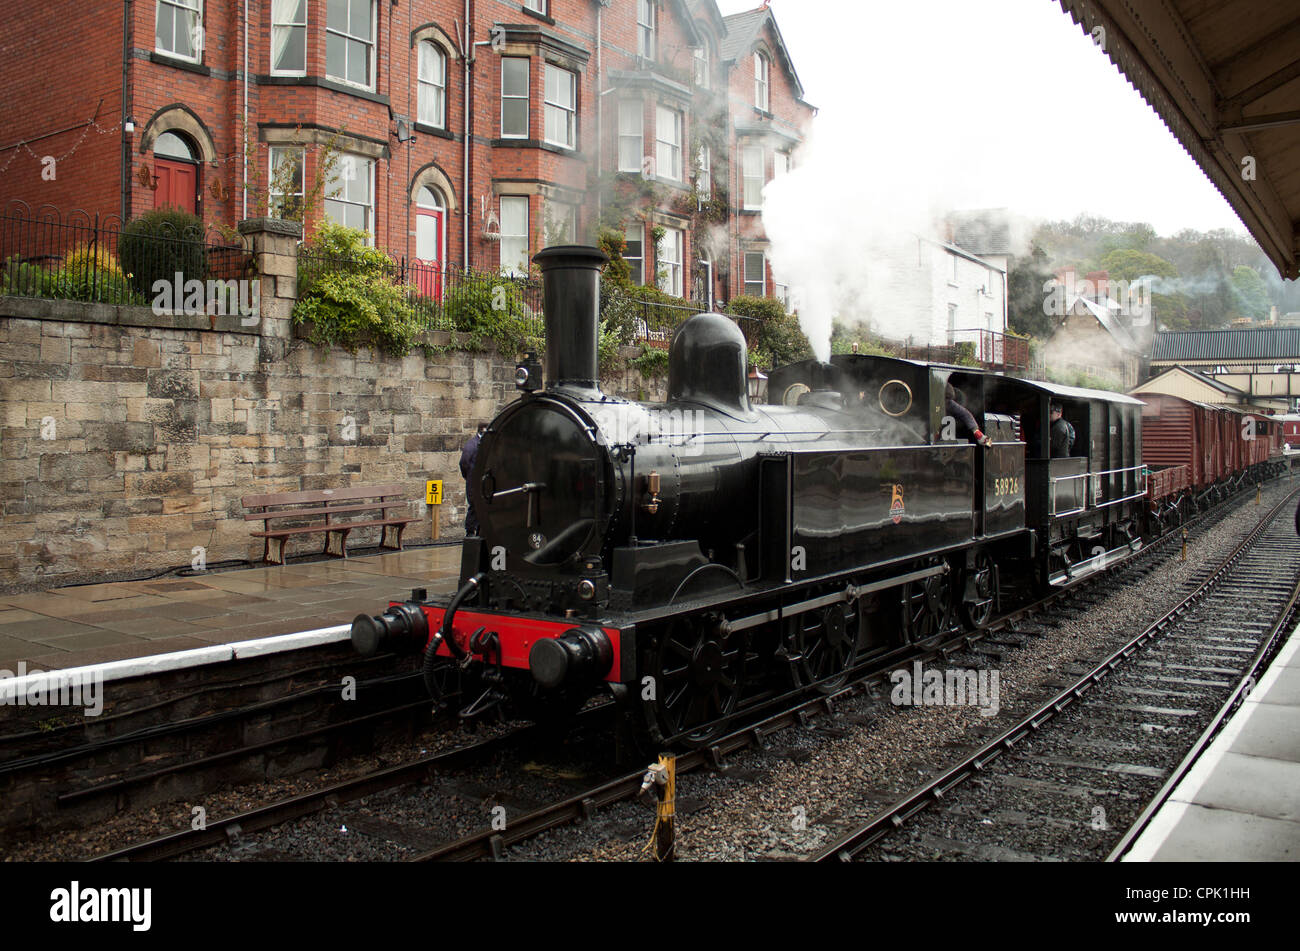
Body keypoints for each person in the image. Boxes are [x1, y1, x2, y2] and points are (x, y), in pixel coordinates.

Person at [460, 422, 487, 536]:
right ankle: (470, 530)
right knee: (474, 504)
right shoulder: (472, 444)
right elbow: (464, 462)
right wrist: (469, 476)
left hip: (484, 480)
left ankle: (480, 530)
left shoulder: (486, 443)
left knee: (482, 505)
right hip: (473, 480)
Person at [945, 382, 991, 447]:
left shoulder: (949, 403)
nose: (947, 402)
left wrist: (977, 432)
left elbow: (965, 414)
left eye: (948, 399)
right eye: (946, 399)